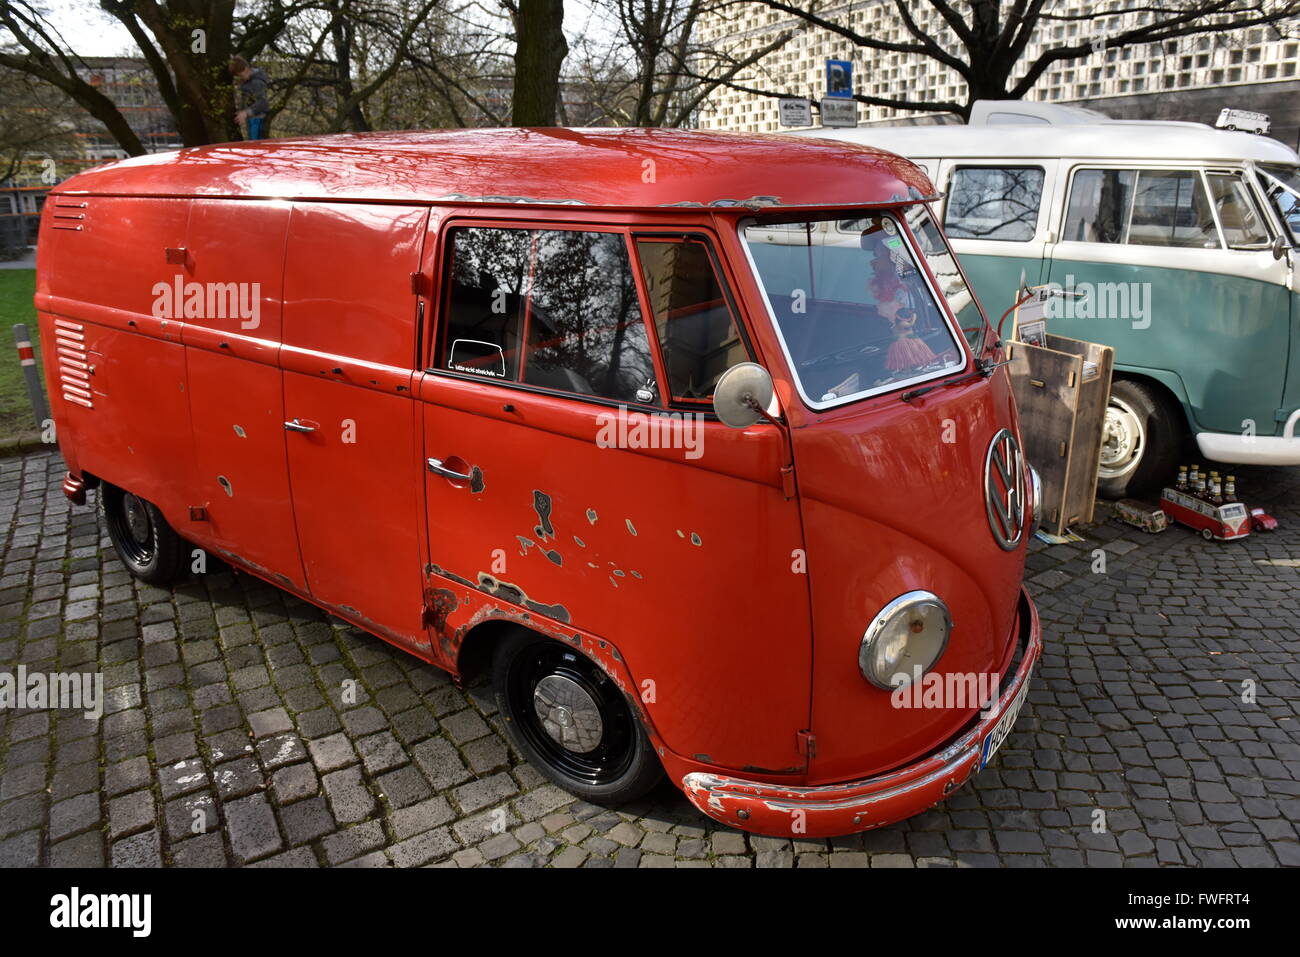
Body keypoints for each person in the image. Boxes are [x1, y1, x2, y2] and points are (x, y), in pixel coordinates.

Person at [229, 56, 270, 140]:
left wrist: (246, 113)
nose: (241, 77)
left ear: (247, 68)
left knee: (256, 147)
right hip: (253, 120)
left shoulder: (256, 82)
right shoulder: (248, 82)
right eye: (238, 75)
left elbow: (263, 103)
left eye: (241, 74)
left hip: (258, 121)